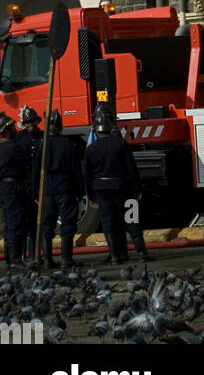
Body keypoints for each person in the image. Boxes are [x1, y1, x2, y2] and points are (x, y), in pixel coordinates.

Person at [84, 105, 145, 265]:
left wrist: (91, 196)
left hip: (102, 191)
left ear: (97, 130)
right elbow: (131, 168)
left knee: (108, 223)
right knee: (132, 219)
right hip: (122, 187)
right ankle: (141, 252)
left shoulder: (91, 149)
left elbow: (87, 175)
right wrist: (137, 188)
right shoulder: (121, 144)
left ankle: (115, 256)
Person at [32, 110, 84, 269]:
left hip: (47, 188)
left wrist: (36, 191)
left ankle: (48, 259)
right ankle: (66, 258)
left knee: (47, 224)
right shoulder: (68, 144)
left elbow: (35, 171)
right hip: (64, 187)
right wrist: (80, 190)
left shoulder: (42, 145)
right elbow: (76, 170)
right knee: (67, 223)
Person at [0, 113, 28, 270]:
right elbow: (26, 158)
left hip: (3, 188)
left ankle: (10, 260)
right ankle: (16, 260)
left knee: (8, 223)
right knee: (15, 222)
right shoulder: (12, 147)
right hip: (12, 187)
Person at [16, 105, 42, 261]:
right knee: (24, 221)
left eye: (32, 121)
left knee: (39, 222)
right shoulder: (19, 139)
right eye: (27, 122)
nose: (30, 124)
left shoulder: (43, 137)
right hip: (25, 182)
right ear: (24, 124)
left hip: (39, 180)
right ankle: (22, 256)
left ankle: (37, 254)